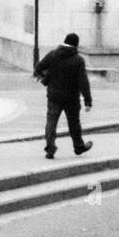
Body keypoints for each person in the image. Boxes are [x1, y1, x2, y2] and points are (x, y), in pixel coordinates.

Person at [34, 32, 93, 160]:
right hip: (71, 97)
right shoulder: (78, 60)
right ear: (76, 45)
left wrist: (46, 79)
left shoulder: (53, 54)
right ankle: (78, 146)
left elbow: (38, 68)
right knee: (74, 123)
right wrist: (88, 101)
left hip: (54, 96)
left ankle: (50, 149)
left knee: (51, 122)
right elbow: (83, 82)